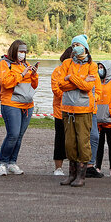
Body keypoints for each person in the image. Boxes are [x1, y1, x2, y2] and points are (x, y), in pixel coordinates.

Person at [53, 35, 98, 187]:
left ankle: (81, 175)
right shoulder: (67, 62)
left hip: (84, 109)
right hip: (66, 108)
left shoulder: (92, 65)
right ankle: (71, 174)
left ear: (85, 47)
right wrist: (79, 81)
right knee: (69, 143)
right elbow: (60, 85)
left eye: (78, 44)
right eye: (73, 45)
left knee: (83, 142)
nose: (75, 48)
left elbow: (88, 87)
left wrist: (71, 78)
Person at [0, 40, 39, 176]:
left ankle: (12, 162)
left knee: (19, 136)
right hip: (11, 104)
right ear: (14, 50)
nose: (22, 54)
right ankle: (2, 163)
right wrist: (21, 75)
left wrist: (33, 74)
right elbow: (5, 83)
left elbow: (34, 85)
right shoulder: (4, 64)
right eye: (20, 51)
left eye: (25, 52)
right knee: (13, 135)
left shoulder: (26, 64)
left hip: (27, 104)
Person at [93, 61, 111, 176]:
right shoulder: (98, 82)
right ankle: (98, 166)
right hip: (98, 120)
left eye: (102, 67)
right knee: (98, 144)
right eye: (99, 67)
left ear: (108, 69)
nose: (100, 69)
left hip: (110, 120)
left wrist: (110, 113)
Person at [50, 45, 73, 176]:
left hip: (76, 111)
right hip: (60, 111)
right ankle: (58, 168)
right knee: (60, 139)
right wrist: (72, 95)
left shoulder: (79, 71)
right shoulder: (57, 71)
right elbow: (56, 90)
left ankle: (73, 167)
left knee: (74, 140)